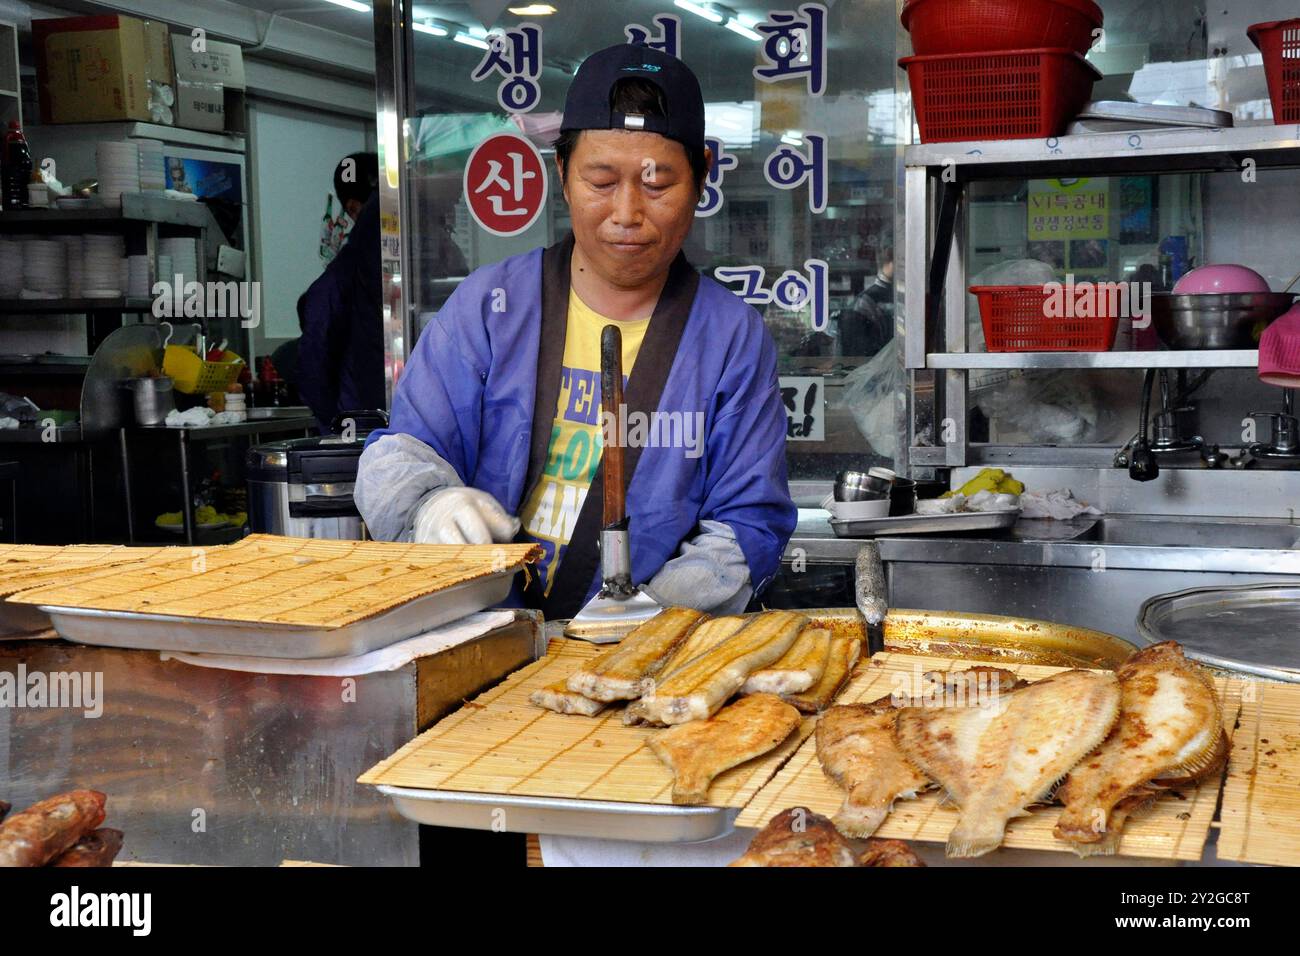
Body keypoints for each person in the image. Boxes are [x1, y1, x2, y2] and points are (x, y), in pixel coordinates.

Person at [355, 43, 796, 618]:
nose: (627, 213)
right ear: (562, 174)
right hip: (486, 632)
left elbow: (747, 521)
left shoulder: (731, 338)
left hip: (645, 655)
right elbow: (402, 453)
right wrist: (431, 506)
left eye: (658, 183)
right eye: (601, 180)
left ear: (702, 179)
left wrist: (656, 617)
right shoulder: (492, 308)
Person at [297, 153, 385, 432]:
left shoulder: (344, 273)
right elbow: (315, 361)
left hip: (366, 425)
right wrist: (343, 428)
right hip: (366, 426)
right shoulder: (349, 273)